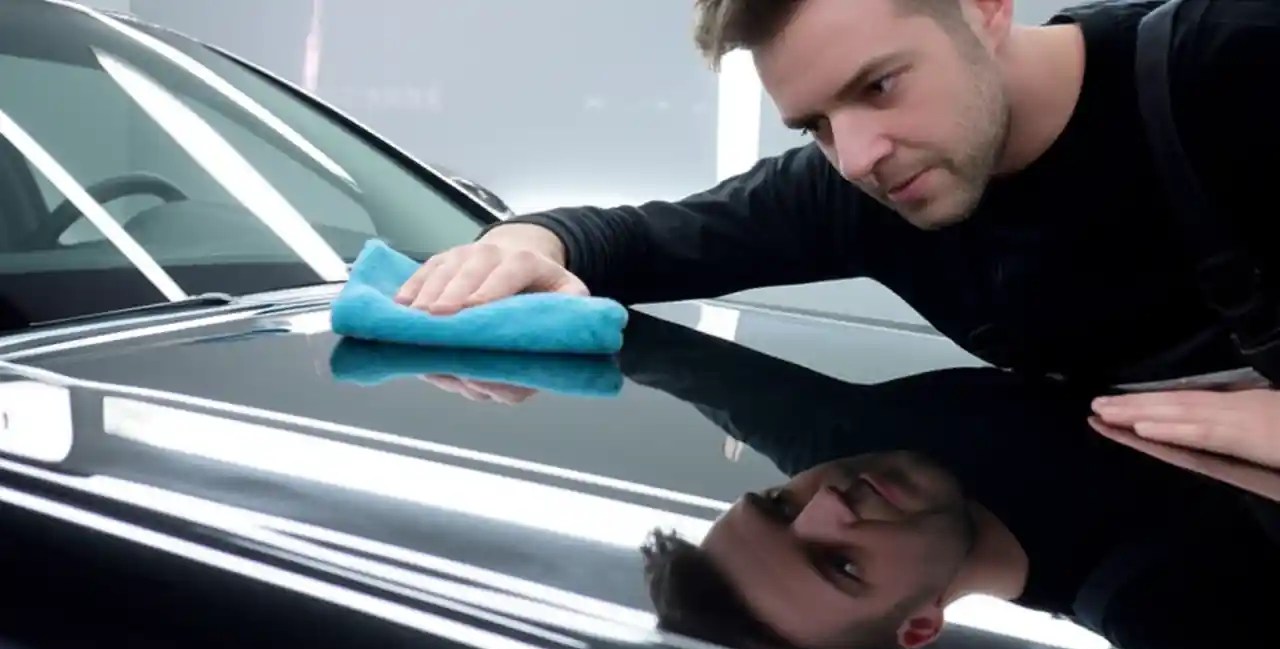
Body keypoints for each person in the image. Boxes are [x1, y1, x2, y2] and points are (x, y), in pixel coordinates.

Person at [393, 0, 1280, 470]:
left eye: (880, 85)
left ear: (985, 6)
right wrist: (524, 246)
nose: (856, 157)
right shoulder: (853, 192)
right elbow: (640, 240)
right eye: (814, 123)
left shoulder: (1238, 58)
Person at [613, 313, 1279, 649]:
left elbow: (643, 346)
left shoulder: (845, 445)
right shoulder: (1157, 603)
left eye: (777, 505)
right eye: (842, 565)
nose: (827, 504)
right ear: (921, 625)